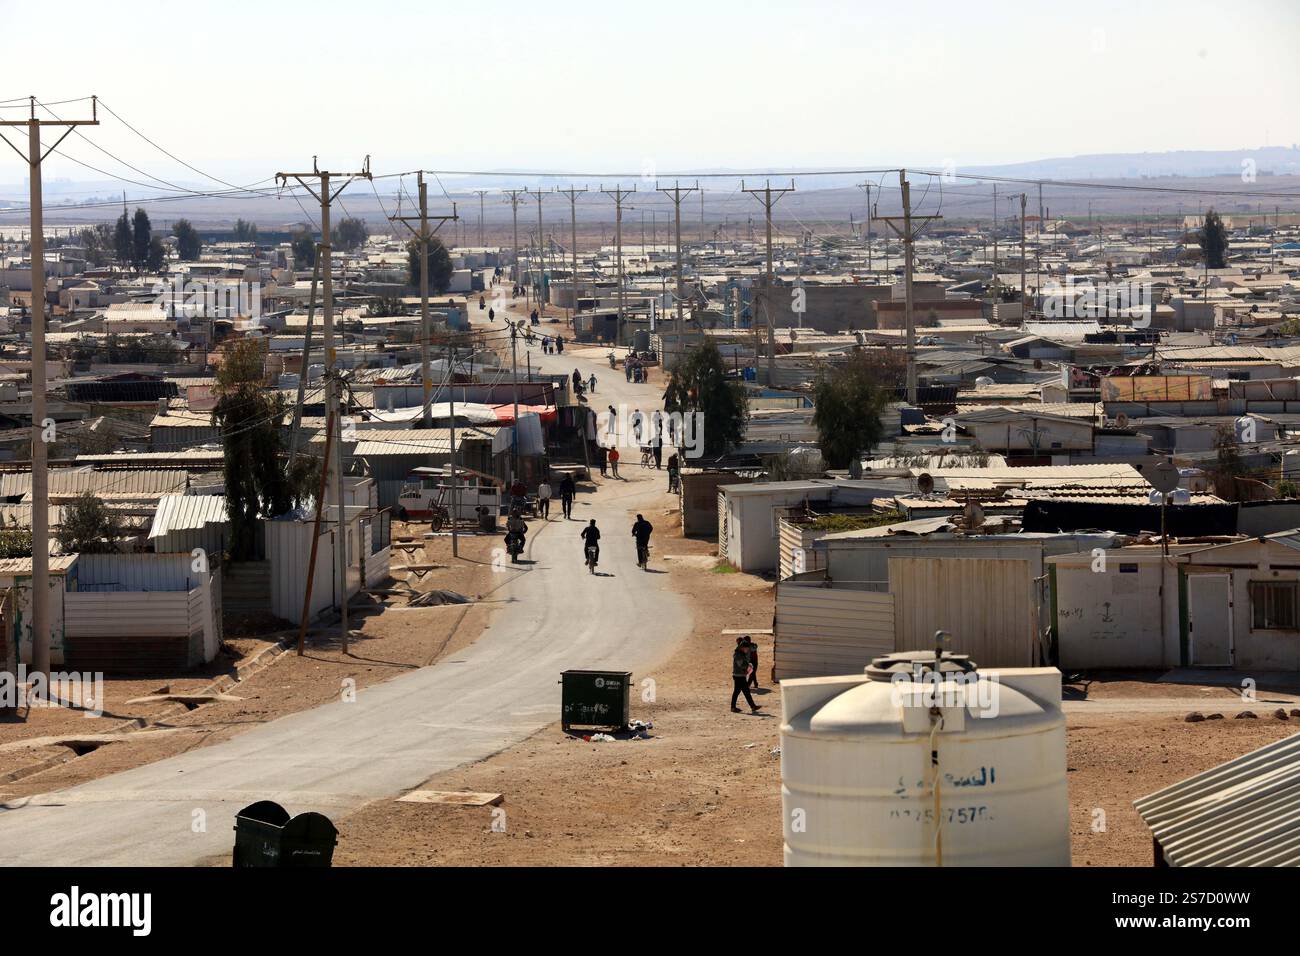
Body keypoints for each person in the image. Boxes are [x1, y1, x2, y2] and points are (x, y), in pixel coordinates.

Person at [730, 637, 761, 713]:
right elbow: (742, 664)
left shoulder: (741, 653)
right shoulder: (737, 655)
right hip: (738, 676)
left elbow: (755, 647)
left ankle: (751, 706)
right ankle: (751, 706)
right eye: (746, 649)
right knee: (742, 692)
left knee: (741, 692)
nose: (747, 650)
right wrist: (749, 666)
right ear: (742, 648)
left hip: (741, 675)